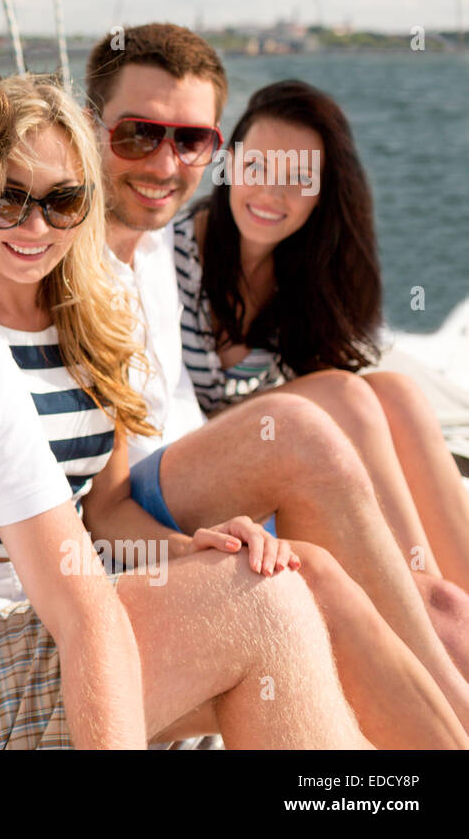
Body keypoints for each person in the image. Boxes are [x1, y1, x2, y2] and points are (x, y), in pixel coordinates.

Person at [0, 30, 369, 748]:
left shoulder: (18, 349)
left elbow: (89, 567)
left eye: (61, 201)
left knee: (275, 589)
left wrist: (184, 551)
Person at [0, 72, 466, 748]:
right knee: (270, 592)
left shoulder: (96, 317)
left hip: (75, 596)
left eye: (62, 200)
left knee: (298, 574)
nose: (35, 225)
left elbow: (107, 509)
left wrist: (196, 548)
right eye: (10, 198)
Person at [77, 22, 469, 729]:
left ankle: (445, 610)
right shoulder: (86, 246)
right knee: (318, 418)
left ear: (211, 148)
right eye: (138, 134)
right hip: (157, 502)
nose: (165, 162)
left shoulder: (152, 248)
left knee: (431, 586)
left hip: (199, 479)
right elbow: (104, 511)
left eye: (190, 141)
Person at [174, 78, 469, 608]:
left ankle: (456, 597)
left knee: (395, 391)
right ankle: (427, 606)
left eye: (298, 178)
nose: (270, 192)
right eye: (256, 166)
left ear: (323, 191)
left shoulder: (304, 277)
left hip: (252, 469)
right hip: (175, 480)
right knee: (347, 394)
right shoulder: (170, 257)